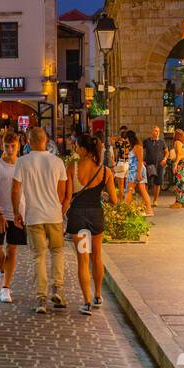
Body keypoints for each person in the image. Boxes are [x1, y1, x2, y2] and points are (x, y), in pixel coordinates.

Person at [12, 126, 69, 314]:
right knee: (57, 251)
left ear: (28, 142)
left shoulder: (22, 162)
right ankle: (57, 289)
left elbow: (15, 190)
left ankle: (41, 298)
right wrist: (55, 206)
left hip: (34, 215)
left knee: (39, 256)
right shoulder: (57, 162)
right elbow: (62, 193)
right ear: (46, 141)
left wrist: (16, 213)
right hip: (54, 215)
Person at [65, 133, 121, 315]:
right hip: (96, 215)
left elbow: (67, 197)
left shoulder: (72, 167)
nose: (75, 149)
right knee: (97, 256)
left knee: (83, 258)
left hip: (78, 216)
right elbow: (114, 199)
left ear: (83, 149)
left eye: (76, 146)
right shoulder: (105, 171)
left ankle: (87, 301)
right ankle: (97, 295)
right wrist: (101, 194)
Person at [0, 131, 27, 302]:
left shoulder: (23, 165)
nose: (10, 149)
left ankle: (6, 287)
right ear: (2, 146)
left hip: (18, 213)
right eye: (7, 146)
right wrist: (0, 214)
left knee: (12, 249)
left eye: (13, 146)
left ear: (18, 146)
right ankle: (3, 271)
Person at [121, 129, 153, 215]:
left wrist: (138, 174)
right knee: (140, 190)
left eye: (126, 138)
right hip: (134, 171)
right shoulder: (134, 146)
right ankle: (149, 210)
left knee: (130, 190)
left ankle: (124, 210)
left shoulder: (138, 147)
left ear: (129, 138)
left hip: (136, 171)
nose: (126, 140)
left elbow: (140, 161)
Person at [144, 126, 167, 207]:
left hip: (159, 165)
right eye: (155, 131)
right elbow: (141, 150)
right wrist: (143, 160)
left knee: (158, 183)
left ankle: (155, 200)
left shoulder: (162, 142)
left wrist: (165, 159)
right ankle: (146, 200)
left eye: (157, 131)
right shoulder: (147, 141)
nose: (156, 133)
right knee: (147, 183)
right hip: (149, 165)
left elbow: (166, 151)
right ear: (152, 132)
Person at [170, 128, 184, 208]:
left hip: (180, 164)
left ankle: (178, 202)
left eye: (174, 134)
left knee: (179, 184)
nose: (173, 135)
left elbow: (179, 154)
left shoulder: (177, 142)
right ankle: (182, 202)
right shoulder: (182, 144)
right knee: (183, 184)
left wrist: (175, 164)